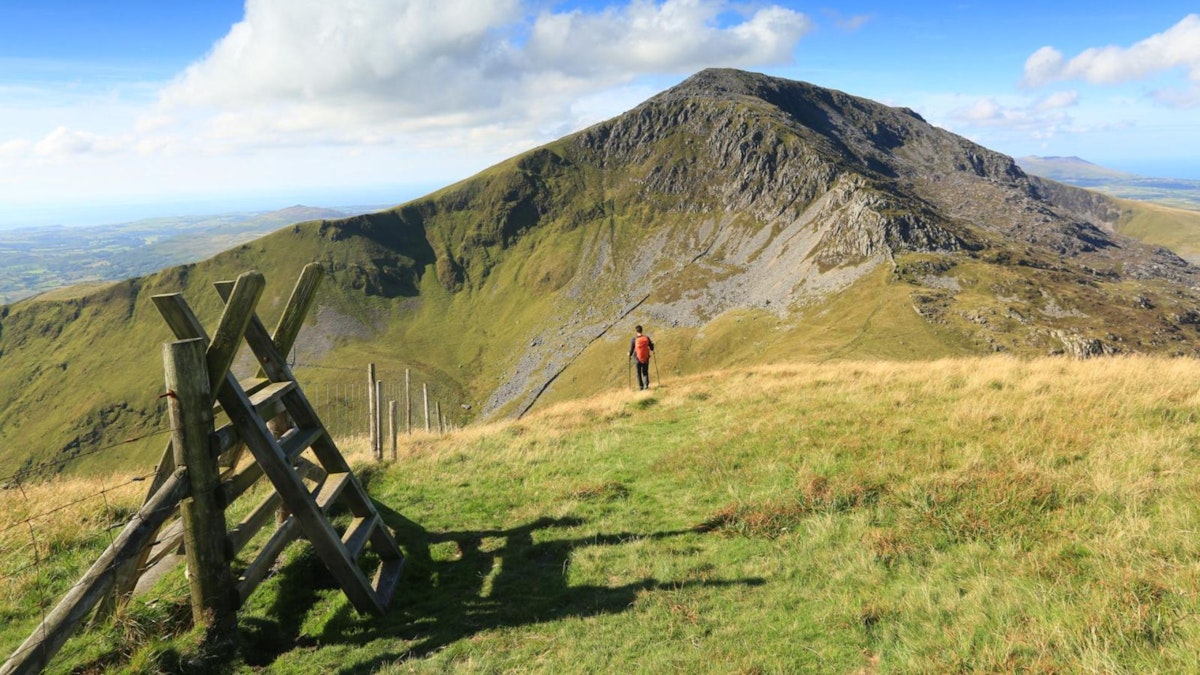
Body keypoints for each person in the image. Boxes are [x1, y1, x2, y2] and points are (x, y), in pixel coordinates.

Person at [628, 325, 655, 390]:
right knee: (645, 372)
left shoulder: (634, 339)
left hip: (637, 359)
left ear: (636, 331)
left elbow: (631, 350)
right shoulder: (647, 338)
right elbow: (651, 348)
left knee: (638, 373)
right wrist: (652, 345)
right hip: (646, 358)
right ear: (642, 330)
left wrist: (629, 354)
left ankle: (641, 387)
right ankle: (646, 385)